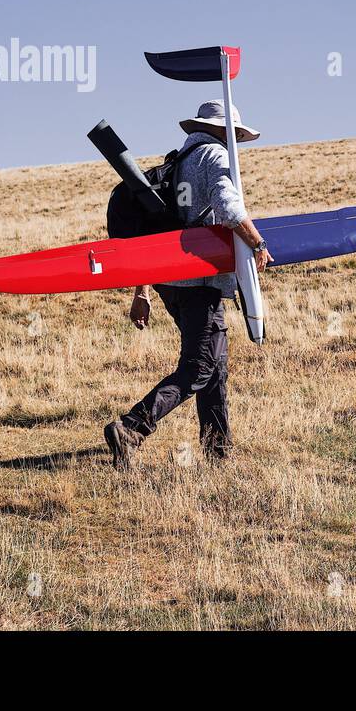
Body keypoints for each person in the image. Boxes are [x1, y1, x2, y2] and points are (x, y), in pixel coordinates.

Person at [104, 100, 272, 468]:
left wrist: (143, 290)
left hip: (172, 282)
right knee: (199, 367)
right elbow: (228, 207)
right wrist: (258, 243)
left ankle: (219, 452)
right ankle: (131, 427)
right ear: (222, 131)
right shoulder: (211, 154)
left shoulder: (179, 159)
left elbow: (158, 227)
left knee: (214, 366)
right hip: (199, 281)